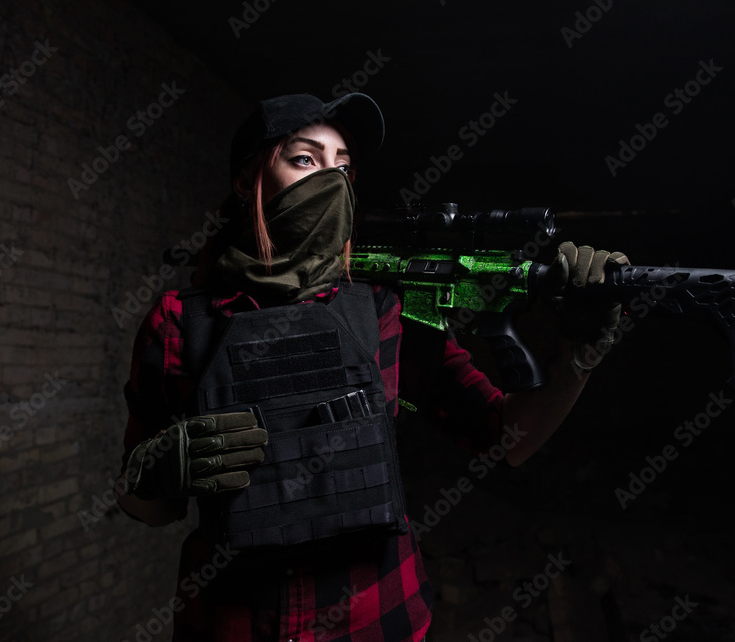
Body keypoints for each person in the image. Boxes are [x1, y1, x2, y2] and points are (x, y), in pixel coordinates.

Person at [114, 92, 628, 641]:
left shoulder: (386, 311)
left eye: (343, 167)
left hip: (378, 624)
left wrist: (580, 353)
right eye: (305, 159)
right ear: (247, 181)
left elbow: (508, 439)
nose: (330, 180)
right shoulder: (181, 323)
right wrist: (156, 472)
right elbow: (147, 507)